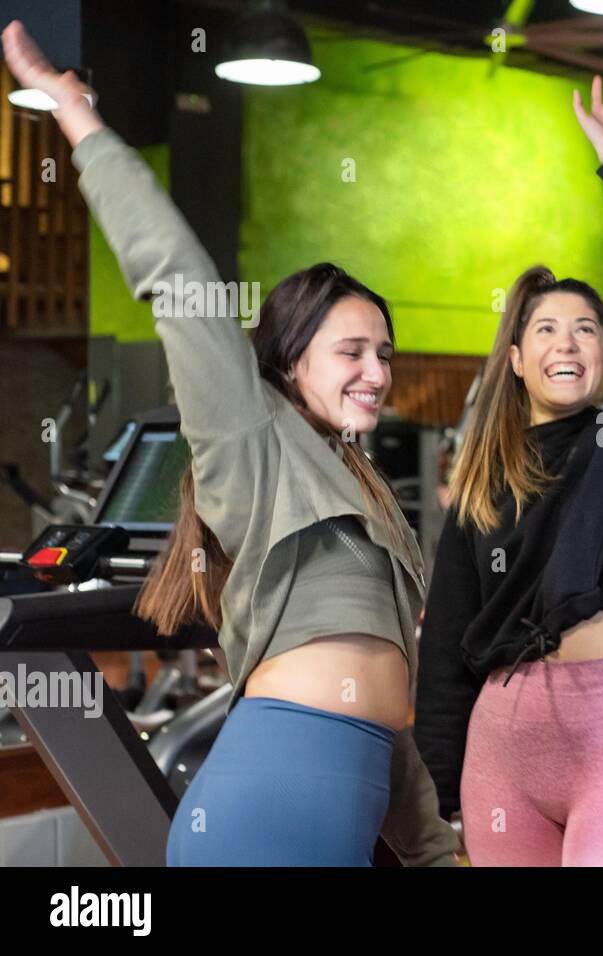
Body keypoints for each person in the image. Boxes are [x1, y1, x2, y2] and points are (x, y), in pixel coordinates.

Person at [2, 20, 459, 867]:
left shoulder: (376, 499)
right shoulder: (253, 437)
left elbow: (389, 717)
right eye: (351, 352)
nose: (377, 372)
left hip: (348, 798)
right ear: (288, 363)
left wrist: (433, 852)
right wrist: (79, 120)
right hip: (271, 797)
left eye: (385, 354)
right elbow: (180, 280)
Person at [413, 77, 603, 866]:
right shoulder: (481, 479)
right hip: (499, 747)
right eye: (545, 328)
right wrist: (439, 801)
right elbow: (444, 656)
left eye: (585, 329)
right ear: (516, 357)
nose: (566, 343)